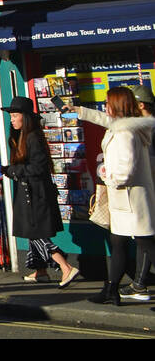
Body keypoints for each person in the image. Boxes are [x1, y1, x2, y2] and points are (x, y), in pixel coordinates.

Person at [69, 88, 155, 305]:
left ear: (116, 105)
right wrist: (78, 110)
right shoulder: (125, 125)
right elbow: (102, 118)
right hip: (126, 202)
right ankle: (112, 290)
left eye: (108, 102)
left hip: (131, 201)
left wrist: (106, 175)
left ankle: (113, 289)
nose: (105, 106)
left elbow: (125, 171)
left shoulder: (126, 132)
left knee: (147, 246)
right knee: (118, 244)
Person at [0, 96, 81, 288]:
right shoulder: (21, 136)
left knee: (36, 232)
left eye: (15, 115)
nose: (11, 119)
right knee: (31, 230)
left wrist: (12, 171)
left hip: (36, 194)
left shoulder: (33, 137)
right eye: (11, 115)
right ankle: (41, 270)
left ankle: (66, 267)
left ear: (25, 117)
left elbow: (38, 168)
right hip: (29, 192)